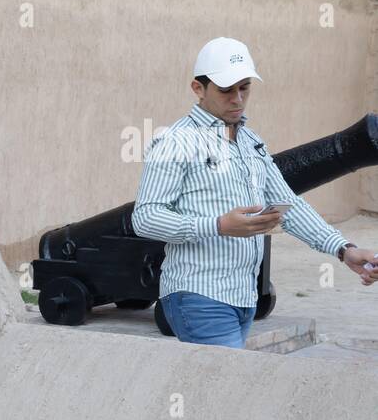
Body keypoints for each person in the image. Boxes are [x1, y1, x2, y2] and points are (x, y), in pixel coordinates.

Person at [132, 37, 377, 348]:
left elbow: (288, 206)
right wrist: (218, 225)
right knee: (226, 389)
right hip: (198, 295)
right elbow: (145, 217)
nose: (237, 99)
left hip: (244, 298)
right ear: (198, 88)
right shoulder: (174, 143)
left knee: (218, 390)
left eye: (244, 87)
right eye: (226, 90)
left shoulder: (251, 142)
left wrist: (344, 250)